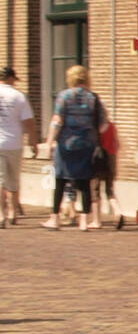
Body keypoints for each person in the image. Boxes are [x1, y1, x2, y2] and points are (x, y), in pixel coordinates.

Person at [41, 65, 107, 232]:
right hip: (87, 145)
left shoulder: (64, 96)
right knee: (85, 182)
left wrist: (49, 142)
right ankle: (84, 221)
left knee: (61, 180)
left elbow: (57, 121)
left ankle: (54, 218)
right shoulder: (94, 98)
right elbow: (103, 125)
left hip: (66, 145)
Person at [0, 66, 37, 227]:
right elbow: (29, 121)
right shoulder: (19, 96)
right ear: (11, 78)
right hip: (14, 142)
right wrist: (33, 141)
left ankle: (1, 215)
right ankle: (13, 212)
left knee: (0, 181)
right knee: (13, 179)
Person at [90, 115, 124, 230]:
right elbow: (118, 144)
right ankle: (118, 212)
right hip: (111, 160)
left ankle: (96, 221)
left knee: (95, 190)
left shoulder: (96, 128)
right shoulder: (112, 126)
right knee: (109, 191)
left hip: (99, 160)